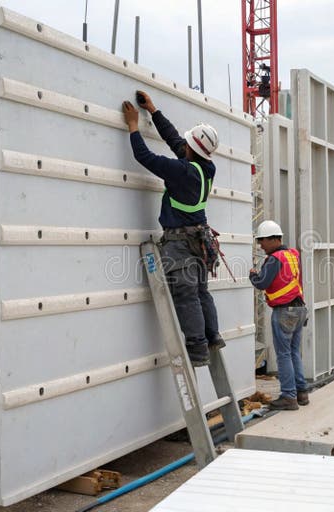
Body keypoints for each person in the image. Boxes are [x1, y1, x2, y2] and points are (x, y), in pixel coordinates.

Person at [122, 91, 223, 367]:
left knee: (186, 296)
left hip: (180, 245)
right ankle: (212, 337)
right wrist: (153, 111)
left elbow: (146, 156)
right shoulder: (205, 168)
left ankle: (198, 350)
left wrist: (133, 126)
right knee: (201, 293)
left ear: (192, 149)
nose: (183, 146)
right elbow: (175, 140)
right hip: (199, 241)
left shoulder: (183, 171)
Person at [249, 220, 308, 411]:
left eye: (262, 241)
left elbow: (262, 283)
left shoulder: (275, 259)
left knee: (283, 354)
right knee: (293, 352)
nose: (261, 245)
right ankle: (301, 393)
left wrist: (253, 275)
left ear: (274, 239)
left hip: (285, 311)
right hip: (299, 309)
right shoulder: (292, 255)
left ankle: (289, 396)